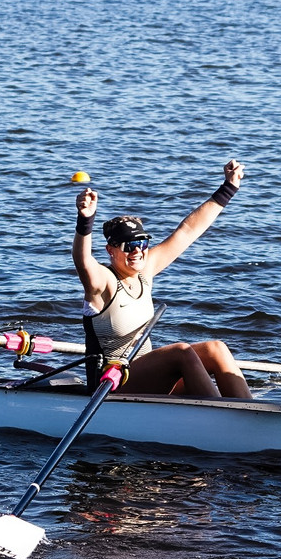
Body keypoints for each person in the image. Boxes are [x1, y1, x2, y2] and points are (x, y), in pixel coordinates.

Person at [72, 160, 249, 398]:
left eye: (143, 243)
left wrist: (229, 188)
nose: (138, 251)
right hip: (110, 384)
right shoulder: (103, 282)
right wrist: (85, 220)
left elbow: (188, 231)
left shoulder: (145, 270)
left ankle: (248, 411)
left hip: (146, 377)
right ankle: (219, 415)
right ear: (111, 250)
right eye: (129, 246)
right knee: (181, 352)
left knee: (216, 349)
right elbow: (82, 260)